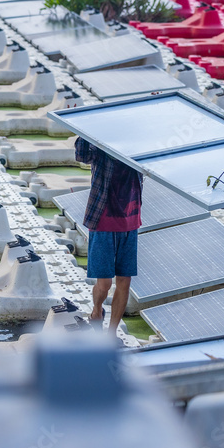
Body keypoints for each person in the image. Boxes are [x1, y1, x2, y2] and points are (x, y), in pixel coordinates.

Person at [74, 137, 142, 335]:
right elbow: (82, 155)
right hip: (103, 221)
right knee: (104, 283)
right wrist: (84, 132)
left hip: (130, 221)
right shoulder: (101, 144)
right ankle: (97, 311)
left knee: (124, 282)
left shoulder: (139, 145)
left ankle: (111, 334)